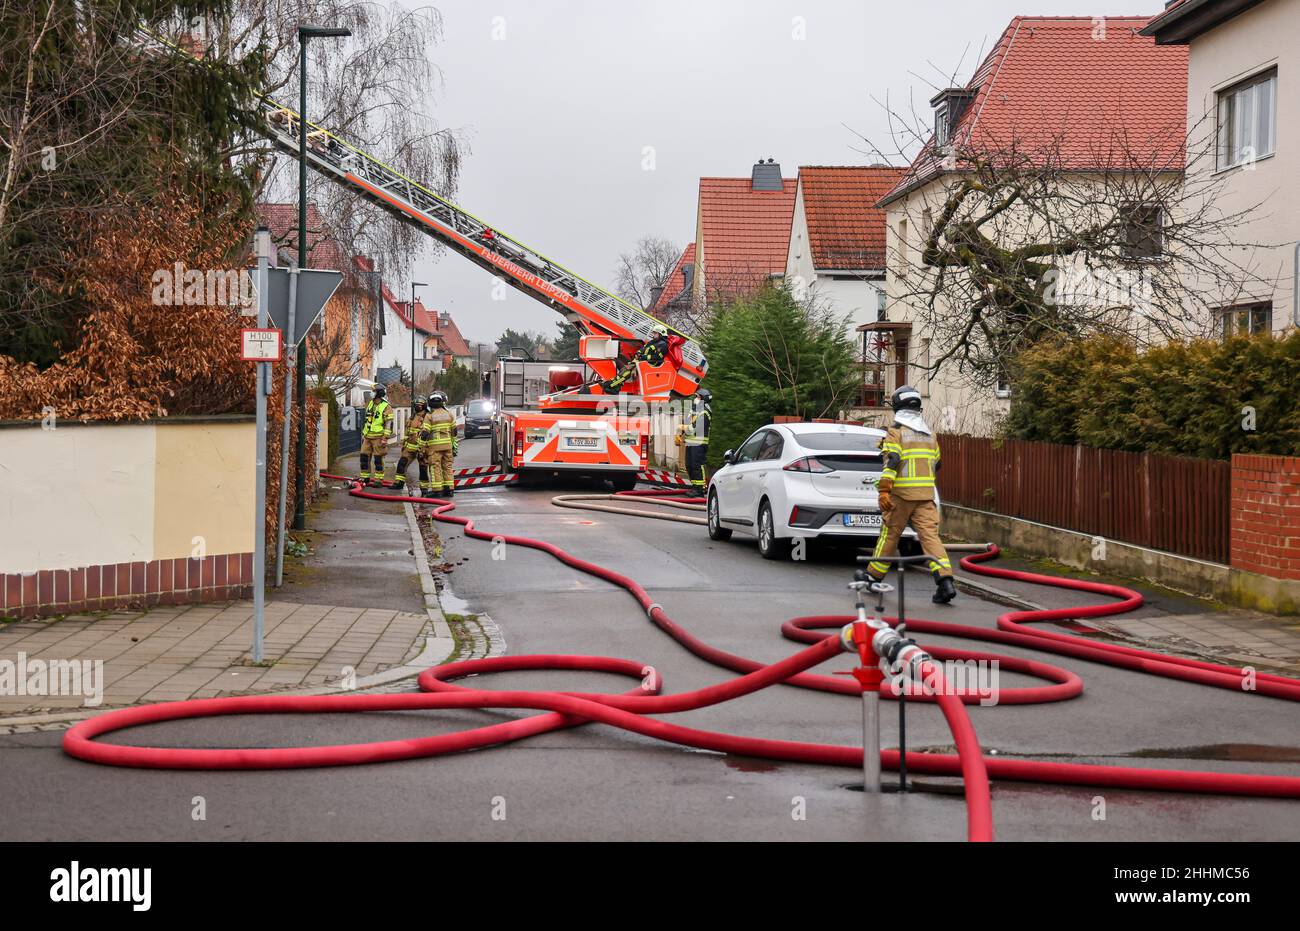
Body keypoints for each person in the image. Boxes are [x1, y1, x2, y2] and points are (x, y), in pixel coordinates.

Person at [865, 385, 957, 604]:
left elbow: (893, 463)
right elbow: (938, 464)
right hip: (926, 497)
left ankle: (872, 577)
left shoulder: (895, 433)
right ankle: (945, 582)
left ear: (898, 406)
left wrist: (884, 490)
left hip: (900, 497)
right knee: (931, 539)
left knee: (889, 536)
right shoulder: (930, 435)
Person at [600, 324, 671, 393]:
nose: (654, 335)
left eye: (655, 333)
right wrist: (638, 353)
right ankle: (616, 387)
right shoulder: (653, 342)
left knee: (628, 371)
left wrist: (643, 357)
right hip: (641, 361)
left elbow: (656, 358)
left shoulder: (663, 345)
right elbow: (644, 348)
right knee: (625, 369)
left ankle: (611, 385)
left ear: (661, 334)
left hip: (649, 364)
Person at [421, 391, 457, 497]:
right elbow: (454, 431)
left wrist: (422, 447)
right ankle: (449, 489)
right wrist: (453, 445)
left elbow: (425, 433)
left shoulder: (429, 416)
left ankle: (437, 491)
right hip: (448, 446)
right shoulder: (449, 414)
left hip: (434, 448)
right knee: (447, 467)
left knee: (435, 467)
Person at [358, 385, 394, 487]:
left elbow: (389, 423)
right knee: (364, 457)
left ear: (379, 393)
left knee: (378, 459)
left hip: (378, 437)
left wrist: (385, 437)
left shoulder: (386, 406)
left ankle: (378, 480)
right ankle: (365, 478)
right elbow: (367, 420)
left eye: (373, 391)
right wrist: (364, 434)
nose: (371, 393)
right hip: (367, 436)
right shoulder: (370, 403)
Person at [393, 398, 429, 492]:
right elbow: (408, 432)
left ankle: (424, 489)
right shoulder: (412, 417)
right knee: (402, 463)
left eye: (419, 405)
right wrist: (404, 444)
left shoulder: (428, 417)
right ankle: (399, 483)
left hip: (422, 448)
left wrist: (424, 449)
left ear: (424, 406)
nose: (417, 406)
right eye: (416, 404)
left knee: (423, 469)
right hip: (410, 447)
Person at [680, 388, 712, 493]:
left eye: (698, 397)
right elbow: (688, 423)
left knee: (697, 465)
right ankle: (695, 486)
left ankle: (701, 488)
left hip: (699, 443)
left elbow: (694, 428)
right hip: (690, 443)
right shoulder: (694, 410)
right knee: (689, 465)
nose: (695, 399)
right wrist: (680, 434)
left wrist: (682, 428)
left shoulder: (704, 413)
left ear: (704, 399)